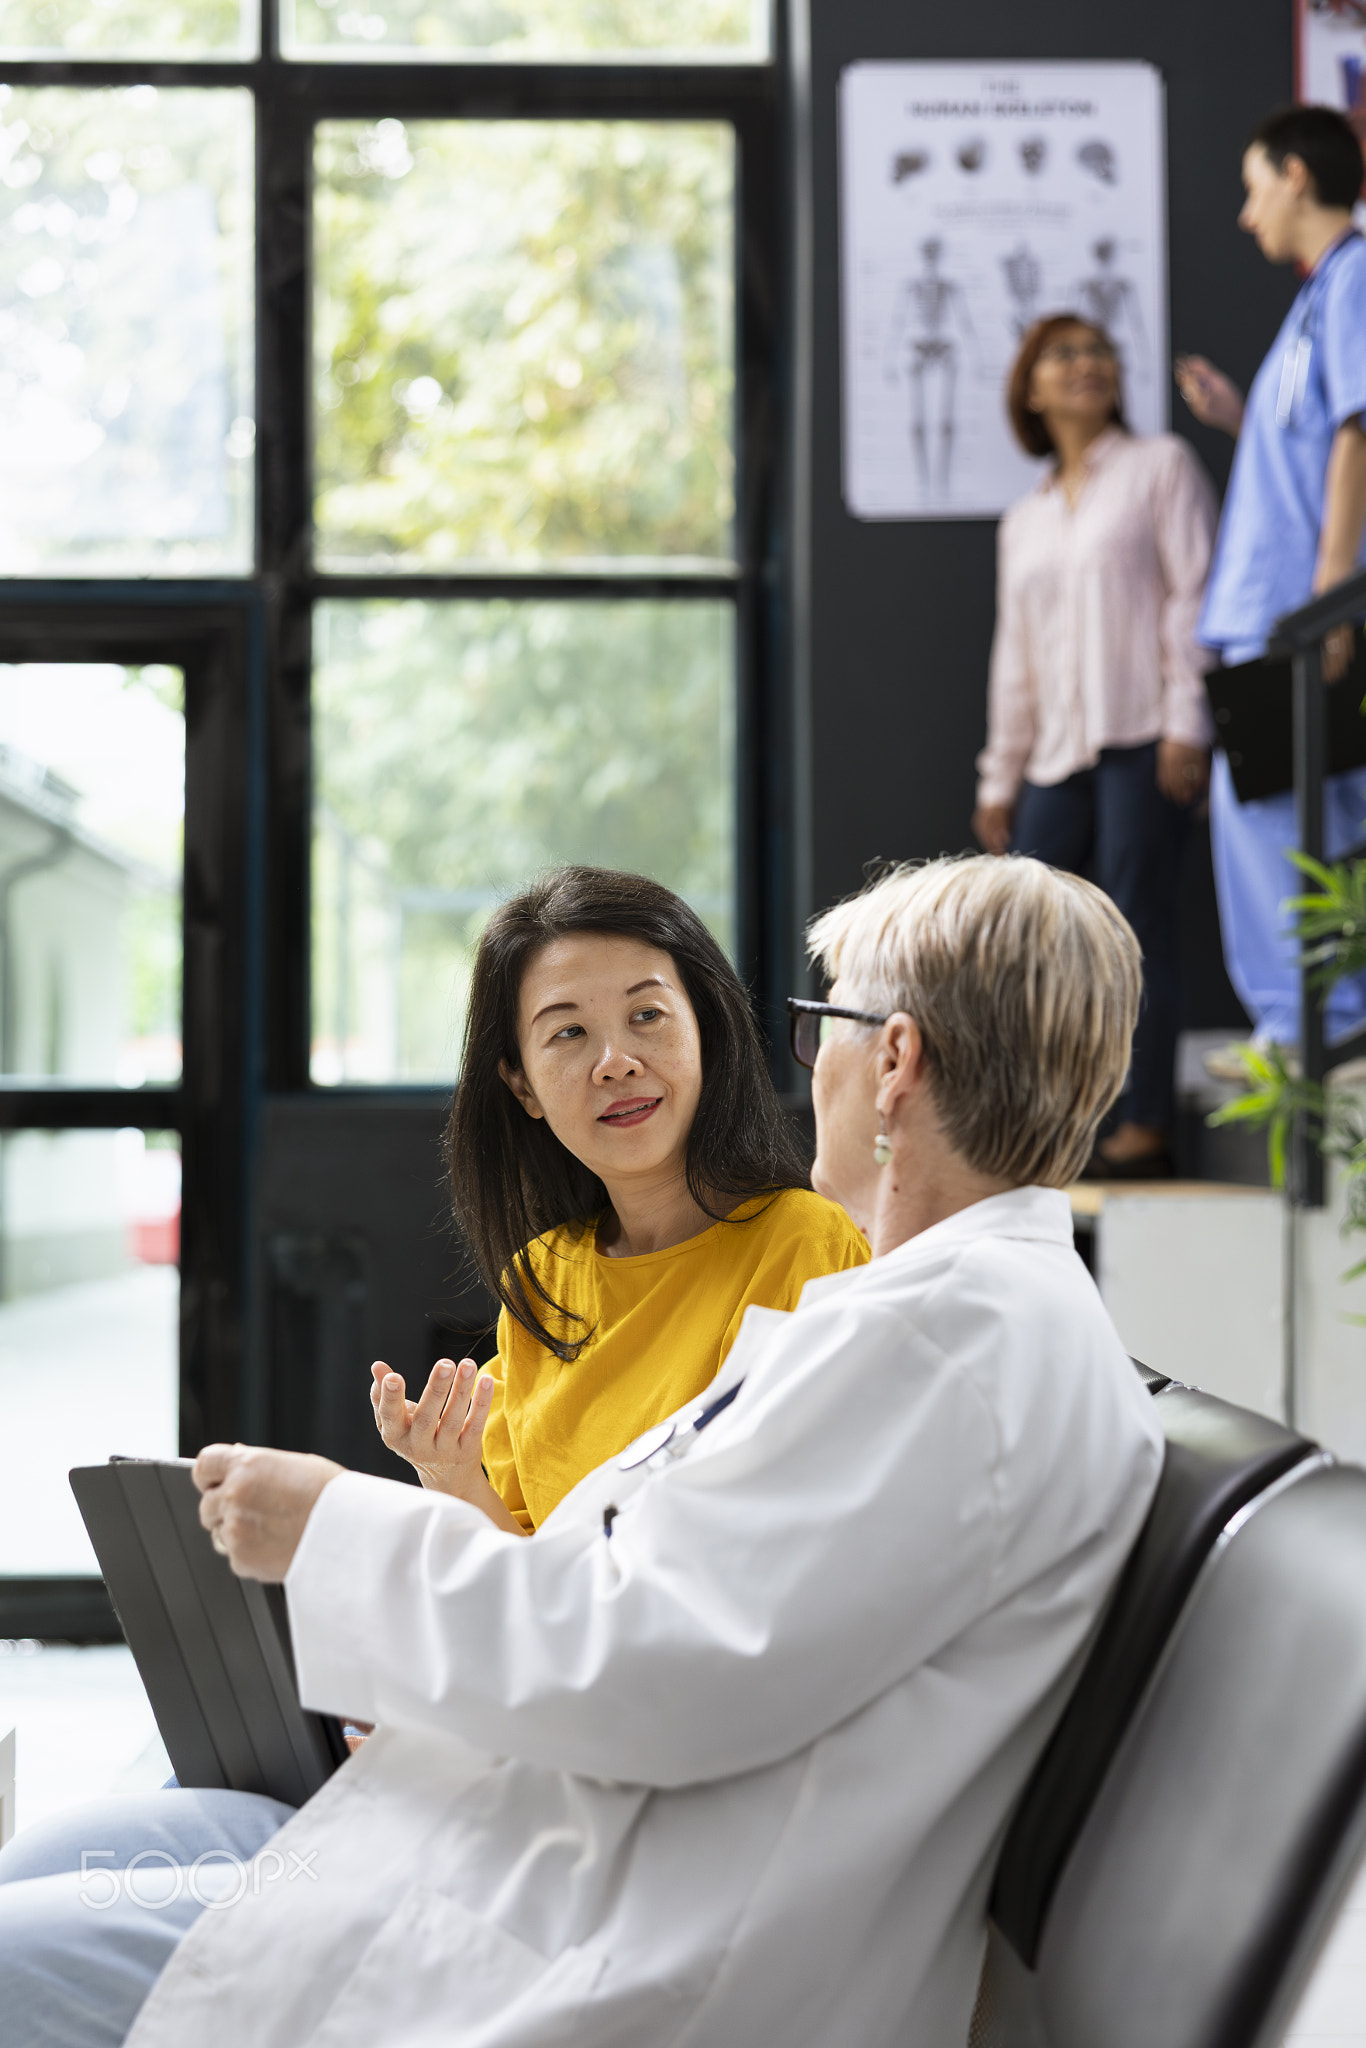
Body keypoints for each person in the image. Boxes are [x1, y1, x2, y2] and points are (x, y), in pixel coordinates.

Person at [0, 854, 1164, 2048]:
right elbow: (652, 1588)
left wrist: (332, 1528)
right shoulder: (948, 1322)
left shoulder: (936, 1344)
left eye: (825, 1023)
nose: (809, 1059)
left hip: (601, 1924)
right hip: (545, 1833)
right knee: (68, 1854)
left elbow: (646, 1654)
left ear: (896, 1058)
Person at [368, 866, 868, 1533]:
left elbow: (795, 1540)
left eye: (647, 1015)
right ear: (523, 1088)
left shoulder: (808, 1244)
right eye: (568, 1033)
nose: (616, 1061)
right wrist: (448, 1474)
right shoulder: (538, 1279)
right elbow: (522, 1571)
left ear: (706, 1035)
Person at [974, 314, 1217, 1175]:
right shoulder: (1025, 519)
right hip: (1055, 755)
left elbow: (1192, 599)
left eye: (1098, 352)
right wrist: (1001, 773)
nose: (1088, 366)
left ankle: (1143, 1128)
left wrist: (1187, 722)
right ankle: (1041, 1129)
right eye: (1064, 356)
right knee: (1029, 935)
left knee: (1135, 926)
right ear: (1031, 390)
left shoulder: (1160, 468)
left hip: (1143, 734)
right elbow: (1018, 654)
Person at [1177, 103, 1366, 1051]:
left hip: (1301, 613)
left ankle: (1317, 1024)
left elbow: (1358, 430)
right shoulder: (1320, 297)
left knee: (1286, 817)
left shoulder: (1358, 276)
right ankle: (1313, 1019)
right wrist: (1240, 417)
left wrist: (1332, 596)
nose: (1249, 216)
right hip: (1276, 609)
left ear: (1296, 174)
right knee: (1292, 812)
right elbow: (1312, 439)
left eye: (1255, 188)